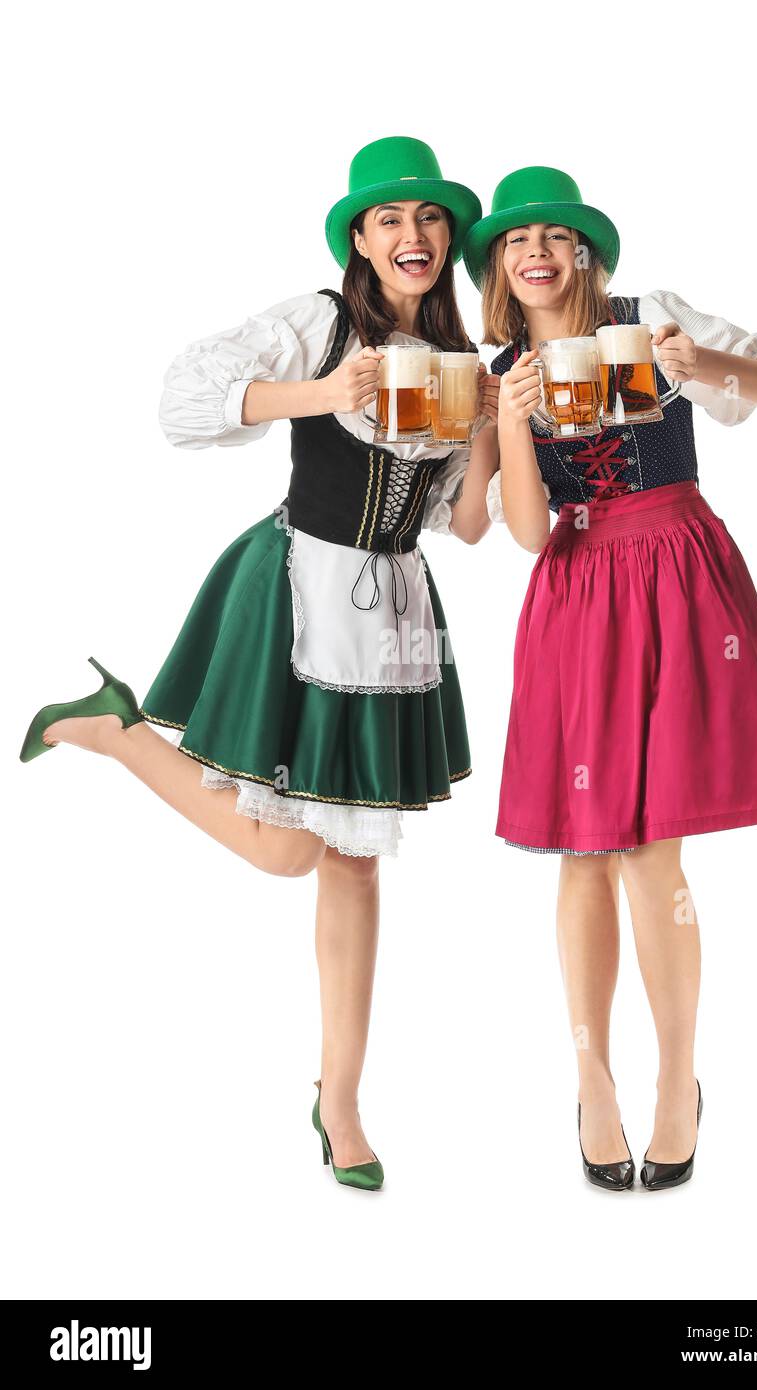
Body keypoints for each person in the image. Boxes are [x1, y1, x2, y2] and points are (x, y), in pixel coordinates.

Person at [20, 136, 500, 1192]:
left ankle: (340, 1099)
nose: (410, 236)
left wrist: (498, 435)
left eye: (426, 219)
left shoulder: (468, 367)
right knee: (289, 855)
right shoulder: (323, 324)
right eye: (387, 221)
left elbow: (465, 526)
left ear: (447, 238)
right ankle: (115, 729)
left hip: (395, 612)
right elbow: (183, 404)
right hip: (300, 588)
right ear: (359, 243)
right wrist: (324, 392)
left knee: (355, 860)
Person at [463, 165, 757, 1190]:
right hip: (576, 593)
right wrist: (516, 422)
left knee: (650, 852)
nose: (532, 249)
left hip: (676, 570)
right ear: (497, 266)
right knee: (583, 851)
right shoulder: (498, 377)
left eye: (552, 234)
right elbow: (525, 533)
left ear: (581, 250)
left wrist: (696, 358)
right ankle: (592, 1080)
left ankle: (675, 1081)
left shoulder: (650, 319)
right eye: (511, 239)